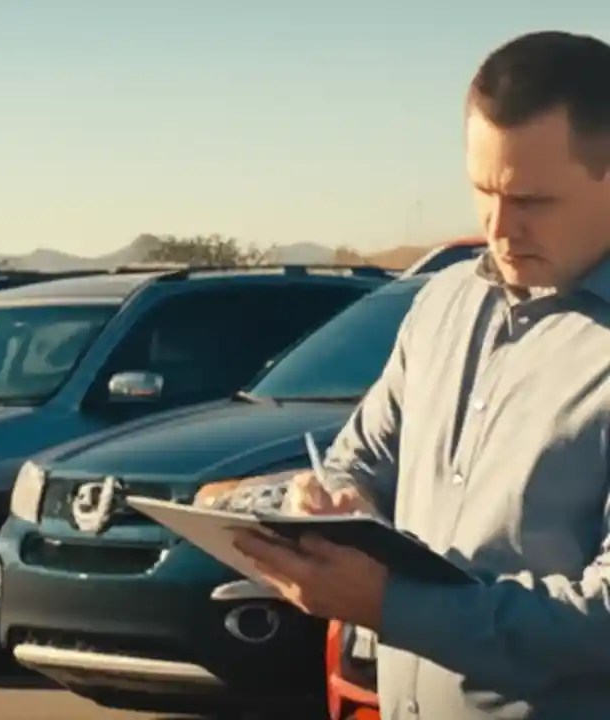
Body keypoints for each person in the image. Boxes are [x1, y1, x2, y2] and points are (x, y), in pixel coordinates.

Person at [232, 30, 610, 719]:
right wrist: (328, 503)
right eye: (481, 191)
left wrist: (388, 605)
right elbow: (361, 458)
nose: (499, 226)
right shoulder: (441, 307)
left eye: (532, 201)